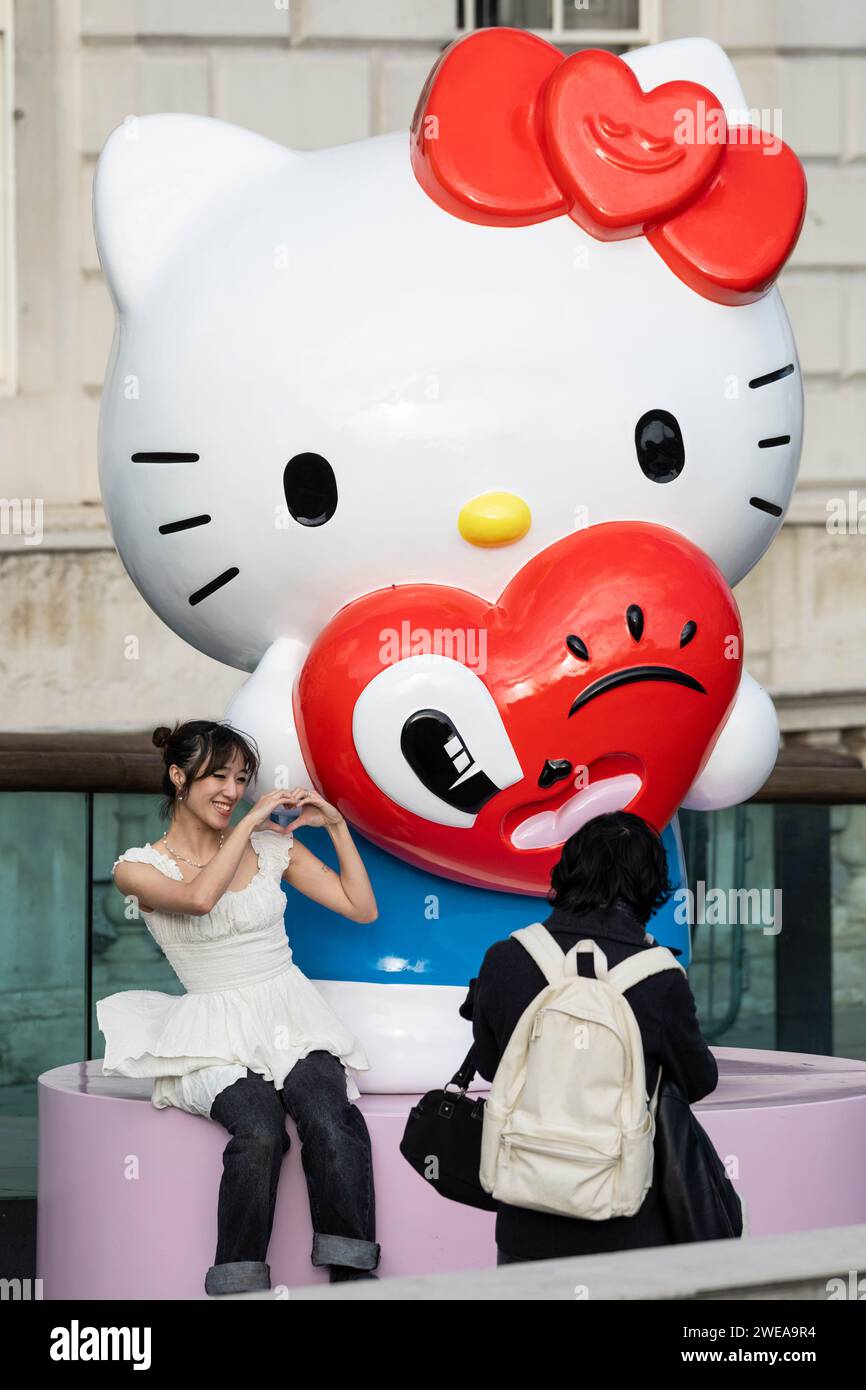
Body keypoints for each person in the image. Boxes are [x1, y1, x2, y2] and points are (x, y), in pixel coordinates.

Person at [99, 719, 380, 1294]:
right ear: (178, 777)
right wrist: (252, 819)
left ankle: (354, 1278)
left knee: (328, 1116)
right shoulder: (138, 867)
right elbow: (200, 900)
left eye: (242, 778)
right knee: (258, 1131)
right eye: (218, 776)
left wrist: (338, 826)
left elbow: (361, 907)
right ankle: (239, 1283)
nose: (232, 789)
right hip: (210, 1032)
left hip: (291, 1013)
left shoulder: (274, 847)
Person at [461, 810, 718, 1265]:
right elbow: (698, 1081)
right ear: (651, 885)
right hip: (626, 1220)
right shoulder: (659, 977)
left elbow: (489, 1064)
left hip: (525, 1216)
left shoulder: (508, 957)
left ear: (568, 870)